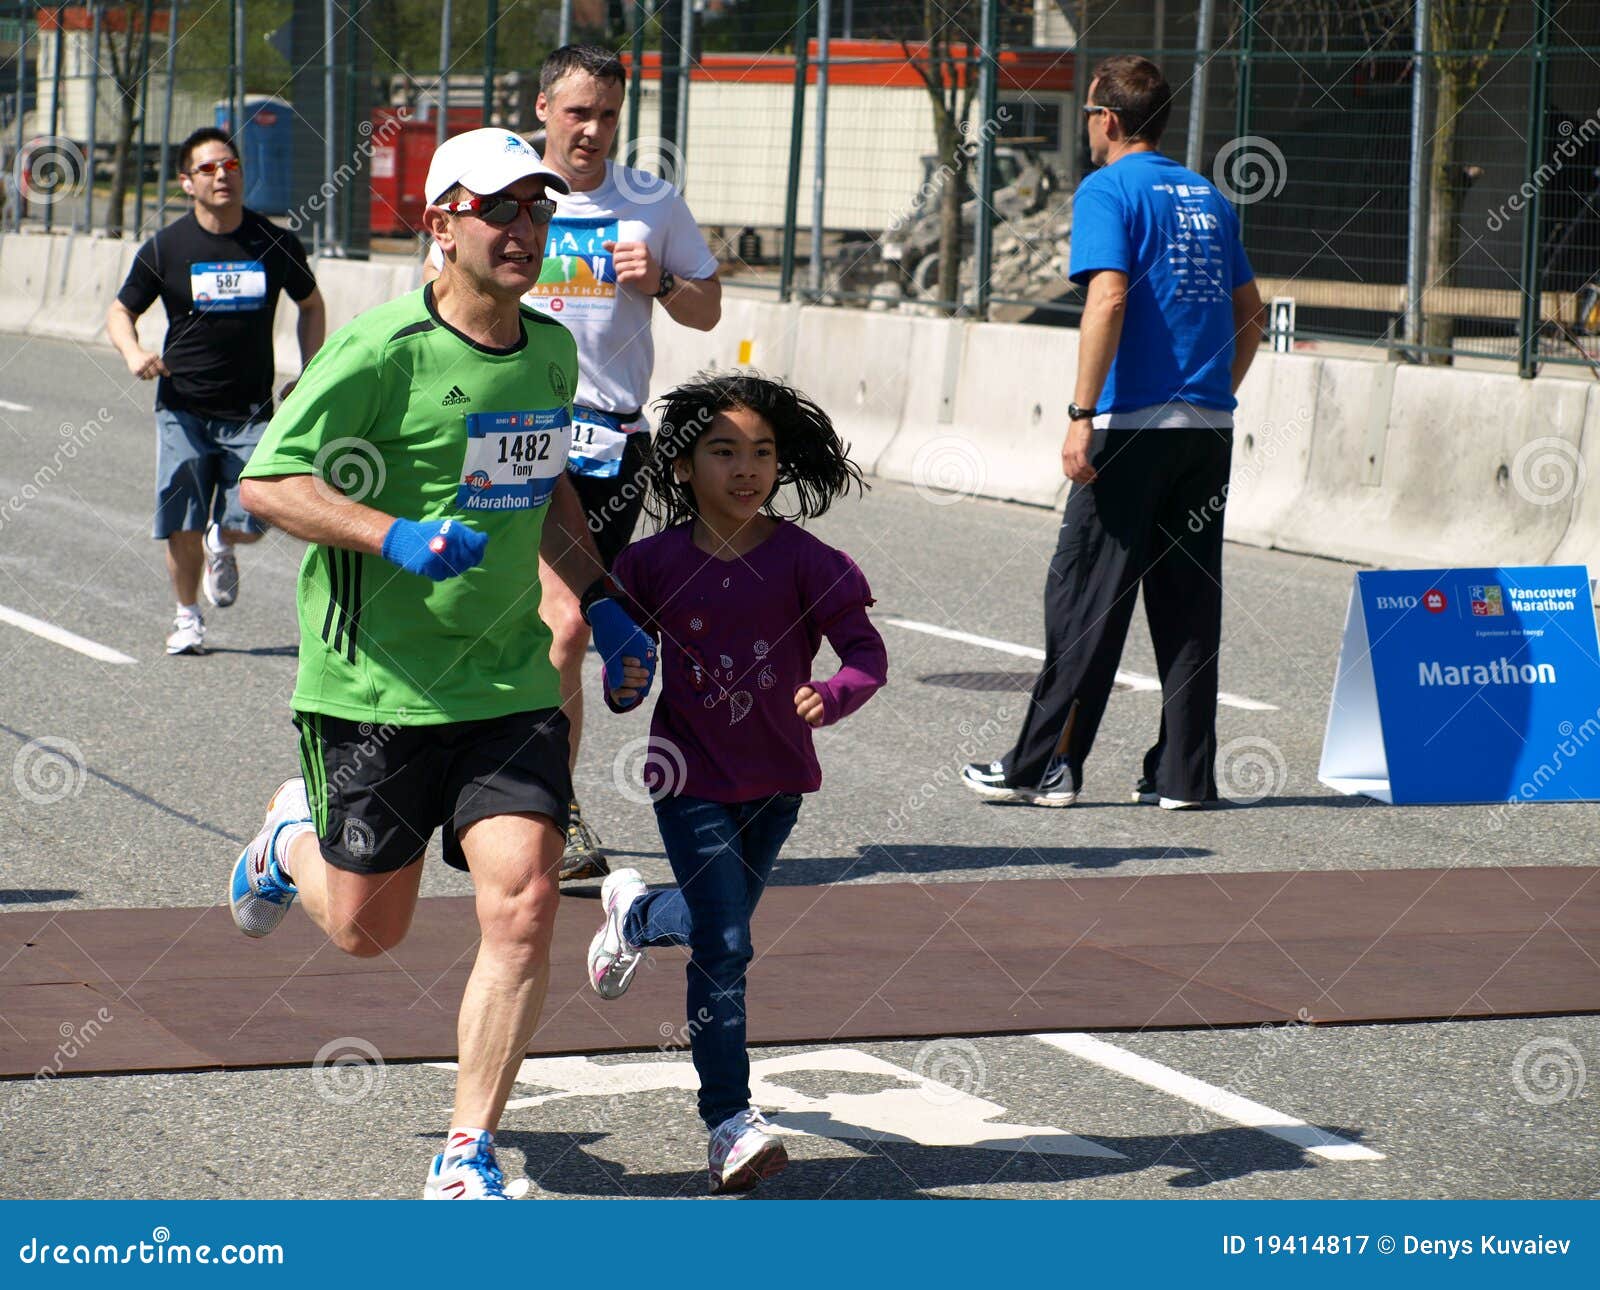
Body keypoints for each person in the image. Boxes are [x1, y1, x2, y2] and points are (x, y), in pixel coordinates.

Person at [224, 128, 656, 1200]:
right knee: (372, 932)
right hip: (374, 689)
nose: (523, 230)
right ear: (440, 223)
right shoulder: (379, 353)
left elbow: (546, 484)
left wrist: (603, 601)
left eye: (538, 210)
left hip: (506, 682)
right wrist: (389, 533)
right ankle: (289, 840)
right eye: (499, 210)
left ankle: (466, 1154)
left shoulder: (552, 352)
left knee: (522, 903)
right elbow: (268, 486)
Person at [422, 43, 721, 883]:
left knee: (567, 625)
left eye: (609, 116)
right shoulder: (500, 194)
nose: (592, 130)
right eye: (578, 111)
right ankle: (525, 791)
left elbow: (708, 309)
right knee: (544, 620)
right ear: (545, 107)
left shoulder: (650, 202)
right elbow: (438, 295)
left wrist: (660, 282)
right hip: (509, 433)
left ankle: (539, 794)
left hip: (612, 446)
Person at [581, 372, 887, 1193]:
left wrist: (833, 694)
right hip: (687, 775)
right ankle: (730, 1120)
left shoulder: (806, 561)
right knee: (725, 943)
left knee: (714, 922)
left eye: (762, 453)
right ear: (683, 468)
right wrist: (622, 680)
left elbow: (867, 656)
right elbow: (619, 653)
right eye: (724, 452)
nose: (747, 470)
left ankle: (637, 915)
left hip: (779, 778)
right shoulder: (648, 564)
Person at [961, 55, 1265, 810]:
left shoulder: (1108, 189)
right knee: (1189, 604)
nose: (1088, 124)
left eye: (1090, 111)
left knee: (1084, 595)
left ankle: (1043, 767)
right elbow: (1251, 311)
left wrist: (1079, 414)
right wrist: (1212, 393)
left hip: (1132, 425)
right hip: (1206, 428)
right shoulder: (1206, 196)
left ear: (1107, 119)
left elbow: (1107, 298)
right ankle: (1184, 775)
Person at [108, 126, 326, 655]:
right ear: (186, 182)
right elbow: (121, 311)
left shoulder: (274, 241)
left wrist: (309, 370)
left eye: (230, 166)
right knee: (180, 517)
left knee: (258, 516)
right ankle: (187, 619)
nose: (222, 175)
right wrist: (135, 353)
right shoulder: (167, 246)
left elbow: (311, 306)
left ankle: (223, 539)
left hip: (252, 411)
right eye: (207, 168)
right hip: (182, 406)